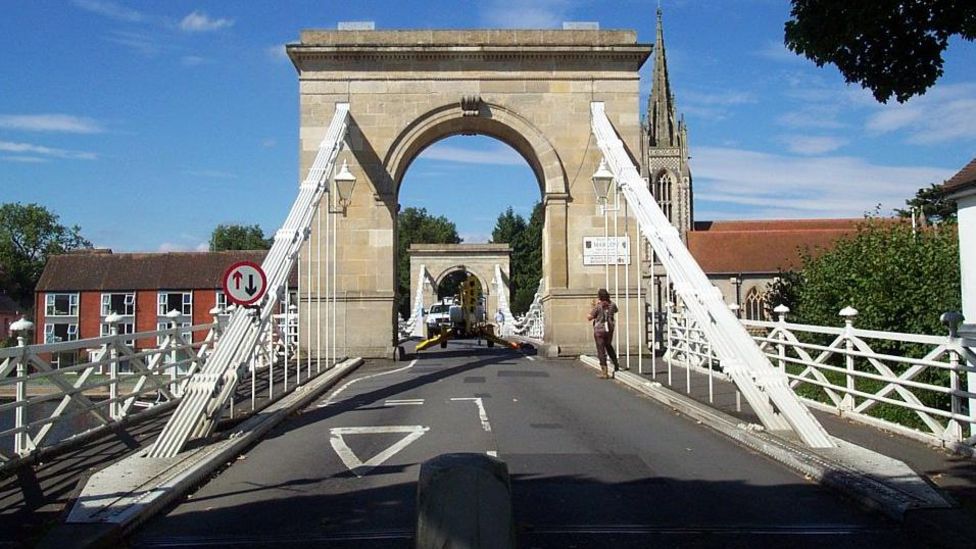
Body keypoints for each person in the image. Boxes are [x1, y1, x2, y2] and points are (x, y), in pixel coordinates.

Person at [587, 288, 619, 379]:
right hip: (609, 329)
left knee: (601, 350)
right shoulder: (612, 305)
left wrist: (593, 306)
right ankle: (616, 364)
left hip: (599, 329)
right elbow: (616, 310)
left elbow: (589, 317)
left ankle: (604, 372)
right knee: (609, 346)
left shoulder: (598, 306)